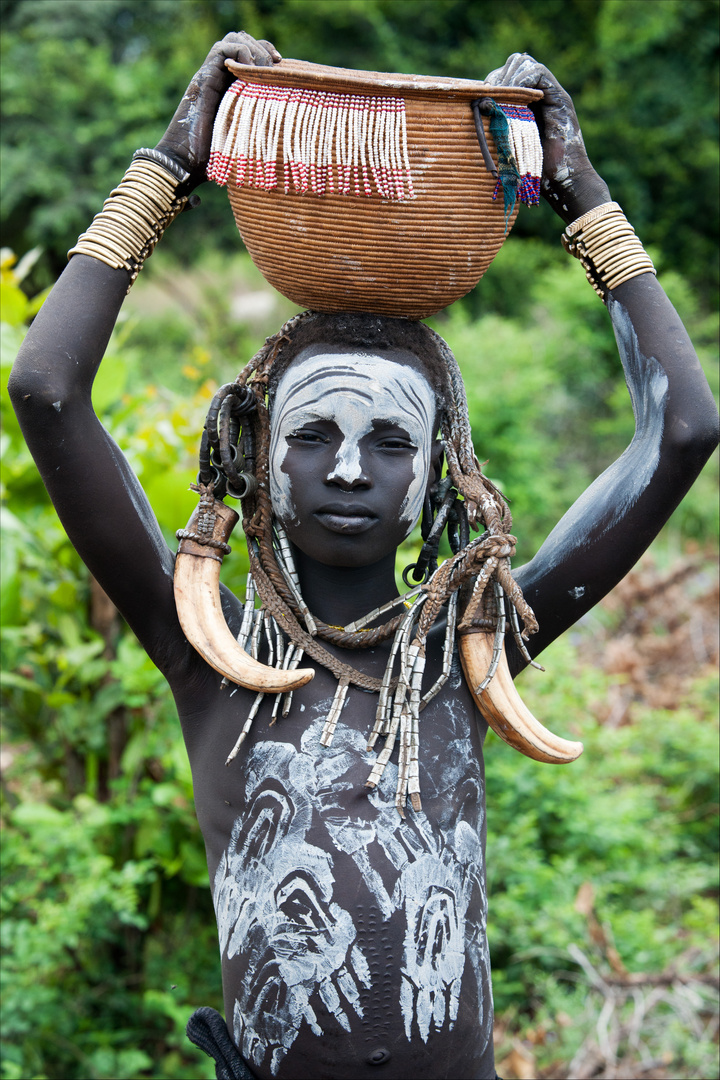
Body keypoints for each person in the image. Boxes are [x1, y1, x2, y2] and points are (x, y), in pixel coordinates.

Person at [8, 31, 718, 1080]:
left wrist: (575, 187)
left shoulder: (467, 654)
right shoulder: (210, 656)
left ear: (440, 478)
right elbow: (47, 391)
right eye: (311, 436)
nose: (348, 470)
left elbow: (684, 429)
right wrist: (171, 162)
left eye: (390, 443)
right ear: (256, 457)